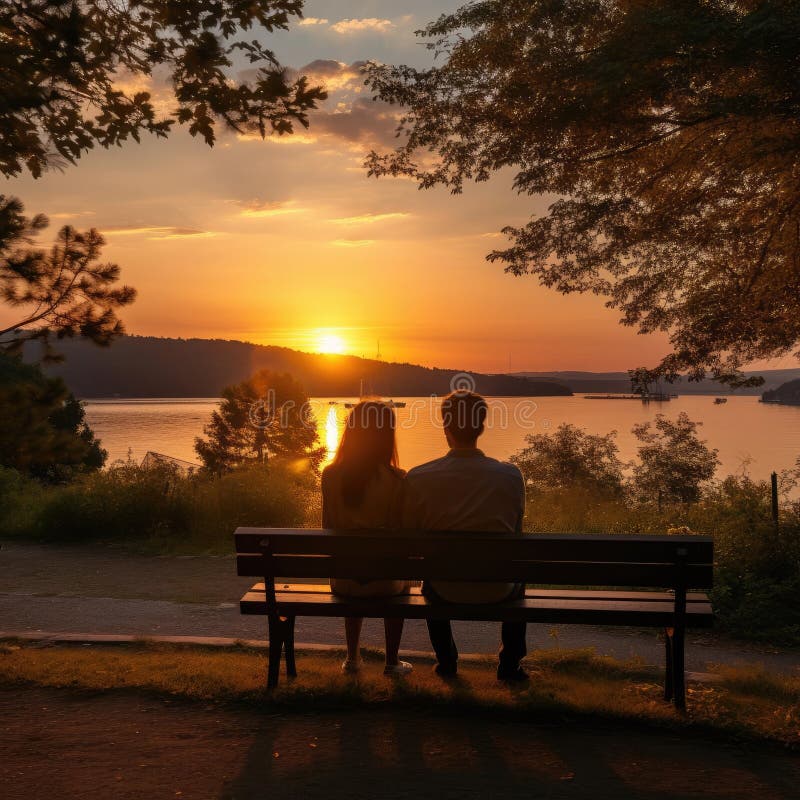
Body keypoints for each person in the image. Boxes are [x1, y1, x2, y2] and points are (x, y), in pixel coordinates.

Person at [403, 390, 528, 682]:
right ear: (482, 426)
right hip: (499, 587)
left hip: (443, 588)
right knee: (520, 577)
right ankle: (510, 664)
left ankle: (446, 661)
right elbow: (516, 531)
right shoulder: (510, 475)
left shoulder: (418, 477)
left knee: (431, 577)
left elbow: (409, 533)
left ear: (445, 426)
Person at [322, 401, 413, 676]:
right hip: (386, 584)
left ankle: (352, 658)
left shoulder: (330, 475)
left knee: (349, 562)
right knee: (403, 578)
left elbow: (327, 528)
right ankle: (392, 661)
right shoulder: (398, 479)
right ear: (387, 435)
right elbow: (404, 537)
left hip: (345, 582)